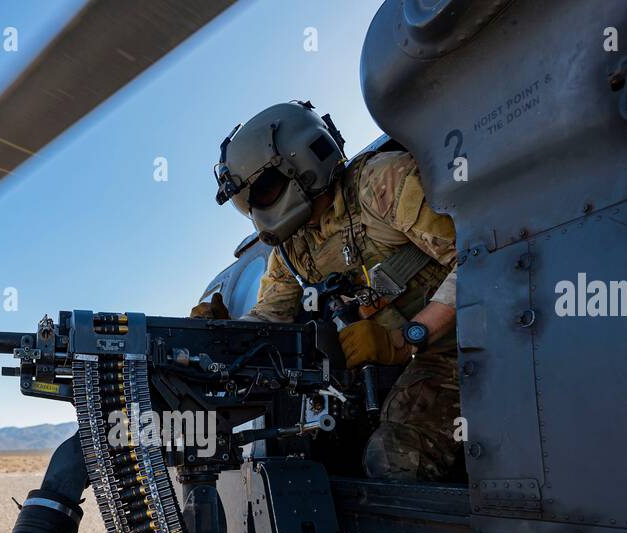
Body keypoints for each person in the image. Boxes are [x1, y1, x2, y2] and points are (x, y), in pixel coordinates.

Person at [193, 101, 460, 482]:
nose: (259, 209)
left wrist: (406, 338)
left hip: (467, 342)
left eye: (264, 190)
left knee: (397, 459)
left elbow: (479, 257)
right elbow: (269, 319)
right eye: (249, 201)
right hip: (413, 365)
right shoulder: (292, 249)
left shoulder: (381, 183)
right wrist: (212, 338)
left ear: (302, 162)